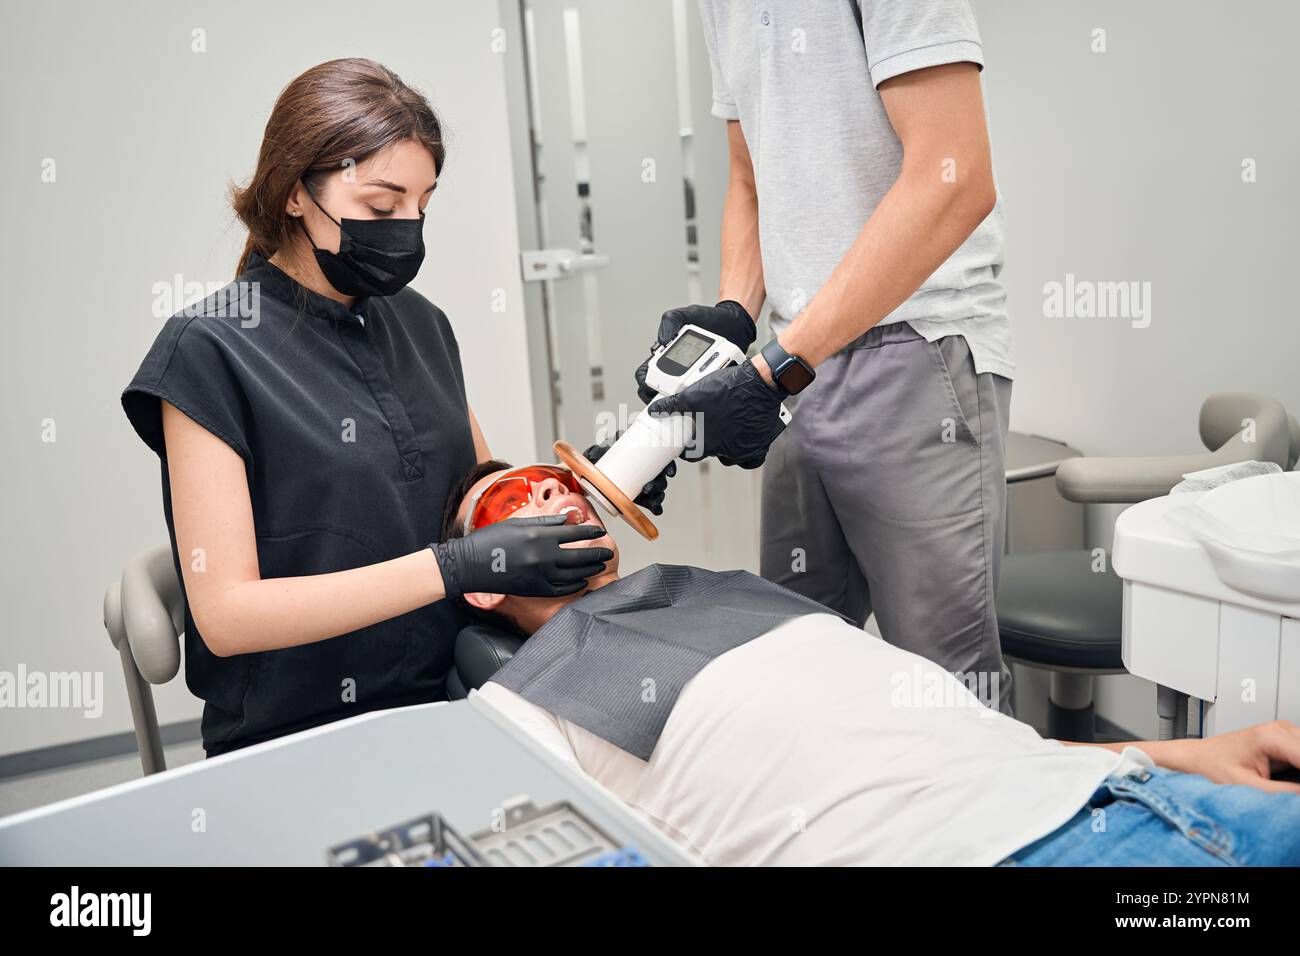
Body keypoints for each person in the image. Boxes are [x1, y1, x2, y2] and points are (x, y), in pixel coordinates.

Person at [120, 59, 668, 757]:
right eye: (383, 207)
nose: (407, 227)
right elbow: (227, 616)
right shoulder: (209, 351)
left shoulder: (422, 324)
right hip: (303, 730)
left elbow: (476, 501)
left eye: (423, 204)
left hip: (468, 687)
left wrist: (593, 483)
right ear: (294, 193)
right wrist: (454, 567)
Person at [440, 459, 1300, 867]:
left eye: (553, 481)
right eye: (512, 505)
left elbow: (957, 743)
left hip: (1135, 797)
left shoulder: (727, 589)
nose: (550, 496)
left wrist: (1187, 754)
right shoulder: (526, 700)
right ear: (481, 585)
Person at [639, 0, 1016, 712]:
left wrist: (781, 364)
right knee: (799, 648)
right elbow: (749, 182)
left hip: (913, 343)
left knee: (942, 686)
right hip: (795, 353)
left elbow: (955, 172)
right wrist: (731, 315)